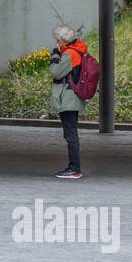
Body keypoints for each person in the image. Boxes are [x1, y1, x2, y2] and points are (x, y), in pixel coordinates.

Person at [50, 24, 88, 180]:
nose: (57, 44)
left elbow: (56, 72)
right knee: (70, 132)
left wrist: (54, 56)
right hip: (73, 96)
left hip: (68, 97)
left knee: (70, 134)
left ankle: (75, 168)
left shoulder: (69, 54)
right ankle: (73, 166)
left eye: (58, 41)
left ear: (63, 41)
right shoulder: (77, 51)